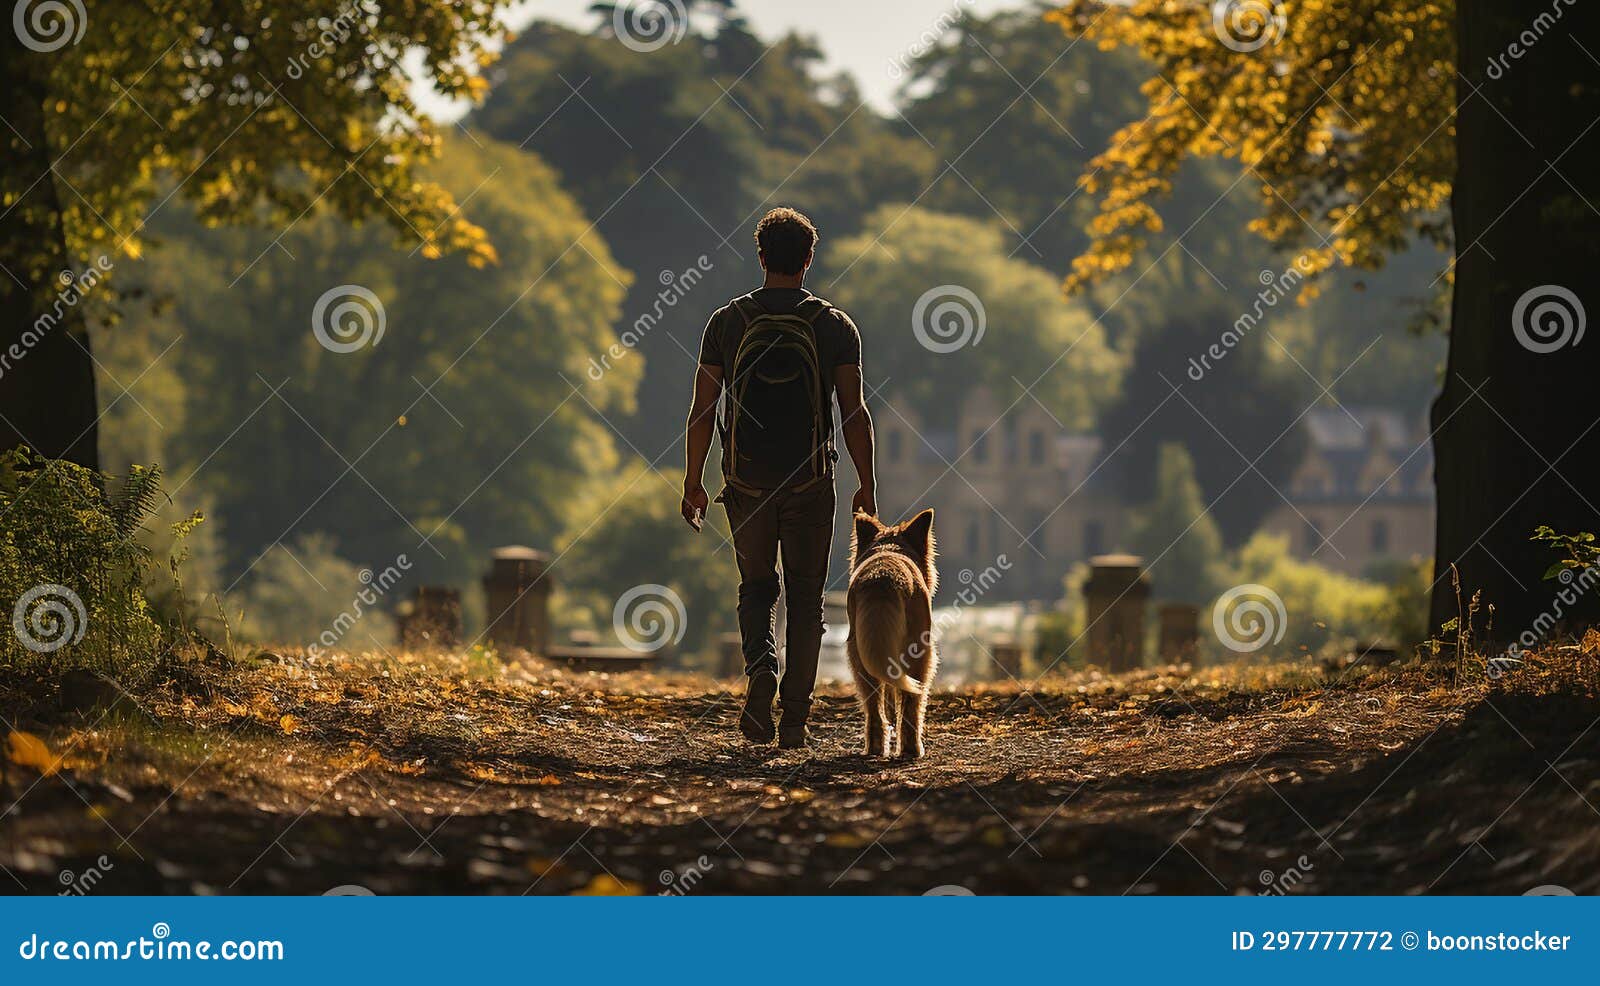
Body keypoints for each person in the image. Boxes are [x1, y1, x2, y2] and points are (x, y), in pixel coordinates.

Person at [681, 207, 876, 749]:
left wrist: (693, 481)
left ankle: (761, 670)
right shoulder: (835, 327)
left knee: (756, 588)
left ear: (761, 256)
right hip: (811, 484)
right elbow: (853, 413)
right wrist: (866, 483)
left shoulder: (726, 322)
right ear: (809, 259)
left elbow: (701, 413)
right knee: (807, 597)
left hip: (745, 484)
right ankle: (793, 717)